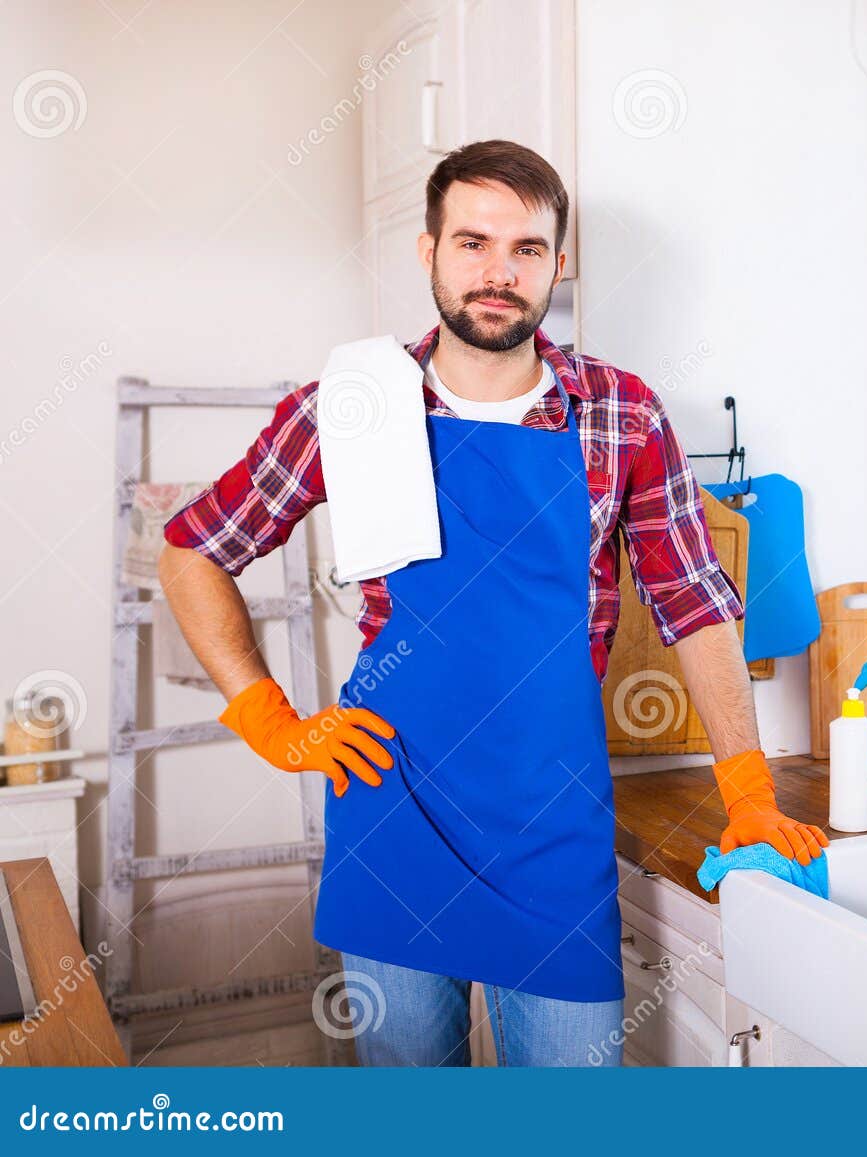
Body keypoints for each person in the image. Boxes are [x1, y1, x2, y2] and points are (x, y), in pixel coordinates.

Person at [158, 138, 827, 1067]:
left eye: (526, 248)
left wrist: (746, 786)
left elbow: (696, 603)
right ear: (428, 251)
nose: (498, 272)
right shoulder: (349, 407)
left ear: (560, 262)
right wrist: (268, 717)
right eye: (472, 243)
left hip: (552, 819)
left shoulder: (620, 411)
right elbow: (194, 548)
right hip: (391, 806)